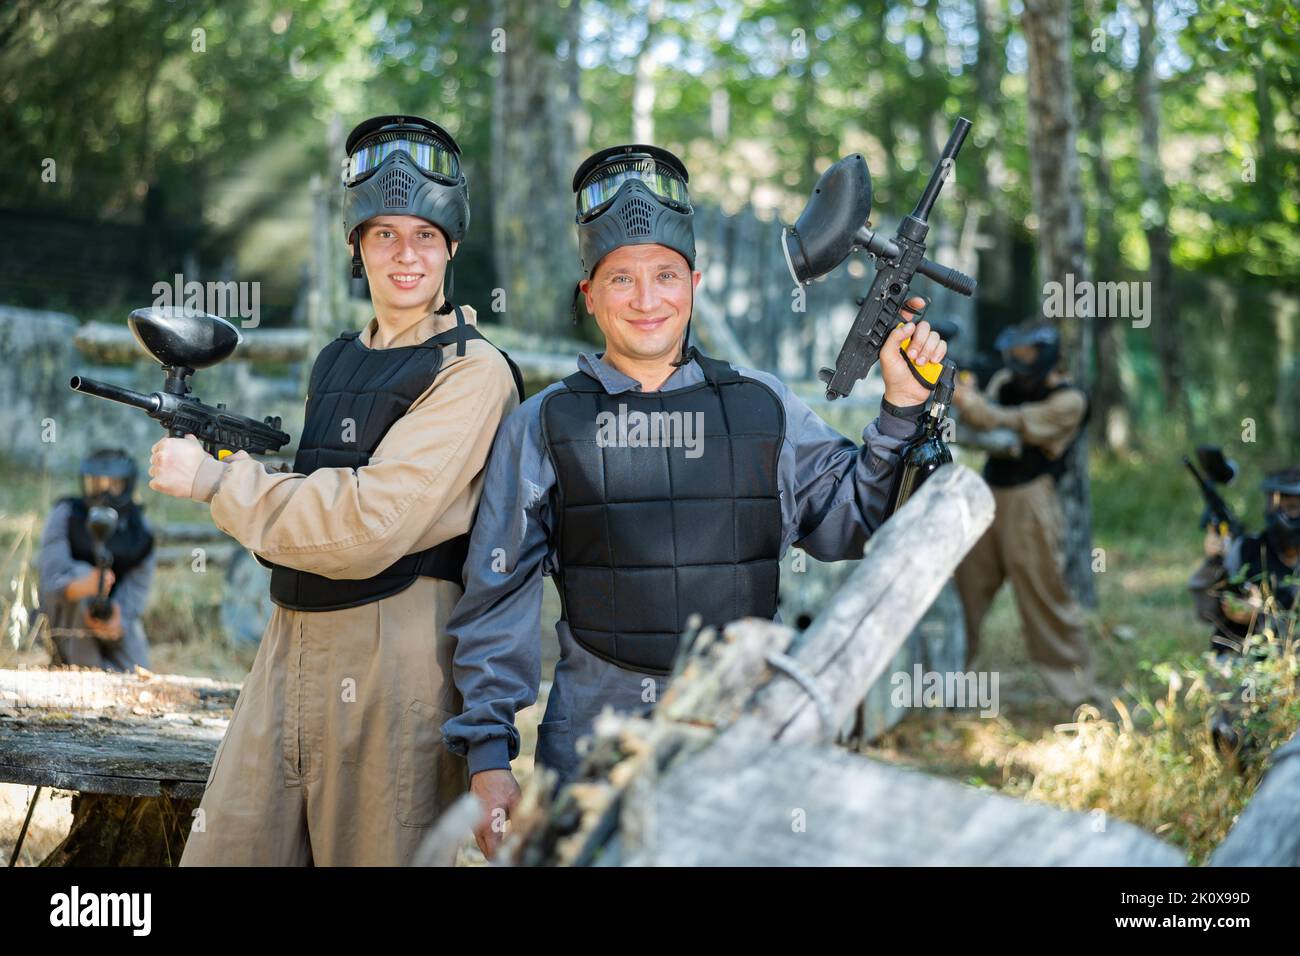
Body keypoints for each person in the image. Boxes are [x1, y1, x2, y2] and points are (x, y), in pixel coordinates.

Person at [442, 143, 950, 857]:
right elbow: (496, 599)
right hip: (592, 744)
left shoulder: (763, 406)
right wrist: (490, 761)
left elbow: (850, 524)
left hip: (741, 738)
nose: (646, 300)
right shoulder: (543, 424)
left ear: (695, 283)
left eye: (664, 275)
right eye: (621, 279)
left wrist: (900, 409)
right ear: (589, 295)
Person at [149, 114, 523, 866]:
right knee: (227, 848)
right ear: (356, 247)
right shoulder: (336, 358)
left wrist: (219, 481)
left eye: (424, 235)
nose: (405, 255)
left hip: (395, 659)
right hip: (288, 644)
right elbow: (324, 486)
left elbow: (369, 524)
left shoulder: (472, 370)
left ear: (452, 243)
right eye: (383, 234)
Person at [950, 320, 1096, 708]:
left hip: (1030, 503)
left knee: (1044, 598)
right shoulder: (1004, 381)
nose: (1017, 361)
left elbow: (1007, 422)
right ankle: (946, 684)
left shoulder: (1070, 401)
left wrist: (971, 403)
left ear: (1046, 355)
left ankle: (1079, 697)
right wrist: (968, 398)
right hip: (985, 496)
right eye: (1014, 353)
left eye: (1026, 354)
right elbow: (980, 425)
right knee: (962, 594)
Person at [38, 449, 156, 672]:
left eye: (113, 484)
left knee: (139, 673)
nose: (104, 492)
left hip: (116, 617)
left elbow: (136, 596)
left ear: (127, 484)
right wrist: (85, 587)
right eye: (95, 483)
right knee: (81, 571)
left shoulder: (140, 532)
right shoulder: (65, 514)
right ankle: (86, 676)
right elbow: (49, 584)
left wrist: (115, 623)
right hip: (63, 616)